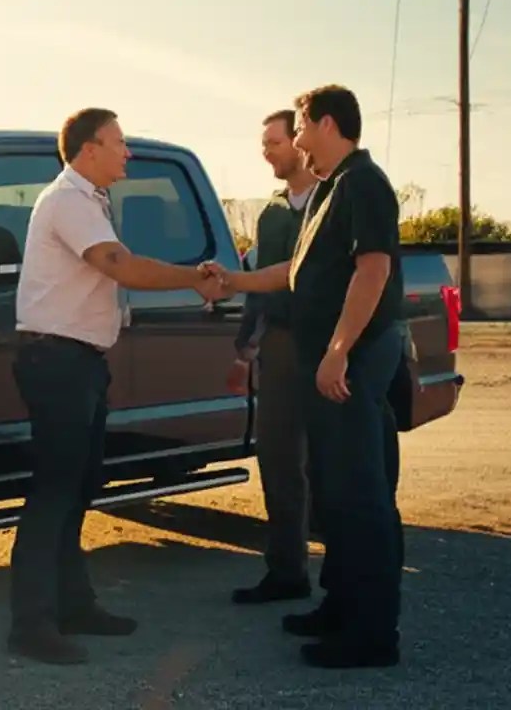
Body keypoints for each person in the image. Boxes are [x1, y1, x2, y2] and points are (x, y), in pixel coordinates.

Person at [7, 107, 226, 665]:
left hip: (79, 362)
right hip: (56, 362)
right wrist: (194, 278)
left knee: (78, 490)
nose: (127, 152)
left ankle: (74, 606)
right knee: (54, 493)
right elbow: (120, 267)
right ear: (87, 150)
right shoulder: (66, 202)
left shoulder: (91, 202)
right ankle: (31, 626)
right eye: (119, 142)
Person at [202, 84, 405, 669]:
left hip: (354, 362)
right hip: (327, 364)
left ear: (327, 123)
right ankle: (339, 608)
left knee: (362, 496)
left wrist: (339, 349)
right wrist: (233, 281)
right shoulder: (327, 192)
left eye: (299, 128)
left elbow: (372, 271)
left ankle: (371, 635)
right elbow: (297, 271)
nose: (294, 141)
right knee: (336, 493)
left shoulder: (365, 183)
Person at [227, 110, 318, 605]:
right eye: (263, 143)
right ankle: (287, 573)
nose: (267, 150)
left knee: (335, 465)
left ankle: (347, 583)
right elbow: (260, 291)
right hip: (281, 349)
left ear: (301, 142)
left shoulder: (333, 201)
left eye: (276, 141)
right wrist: (245, 348)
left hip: (329, 346)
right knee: (279, 462)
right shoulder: (272, 213)